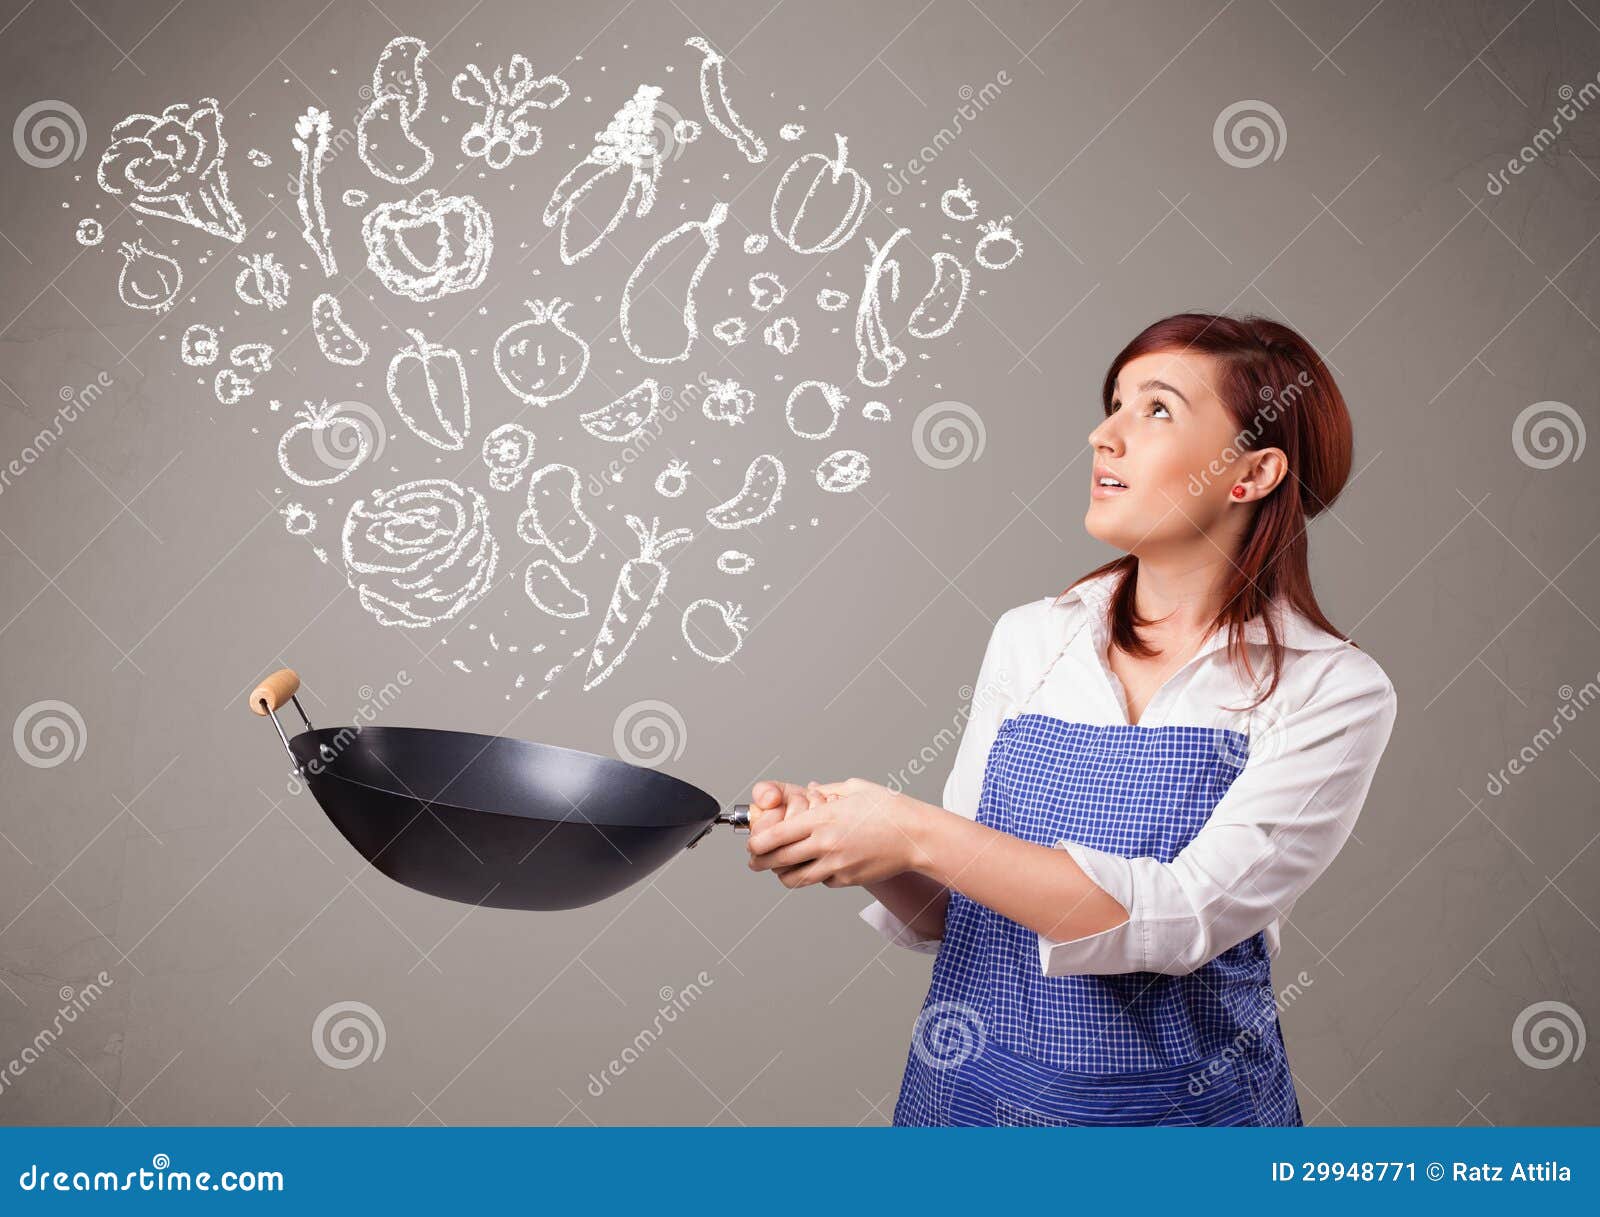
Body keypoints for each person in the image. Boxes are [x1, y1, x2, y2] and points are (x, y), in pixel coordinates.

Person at [745, 312, 1399, 1127]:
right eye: (1114, 403)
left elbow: (1180, 918)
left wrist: (911, 829)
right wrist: (856, 842)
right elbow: (962, 908)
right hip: (971, 1105)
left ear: (1253, 472)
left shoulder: (1331, 690)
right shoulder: (1032, 639)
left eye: (1155, 409)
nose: (1103, 435)